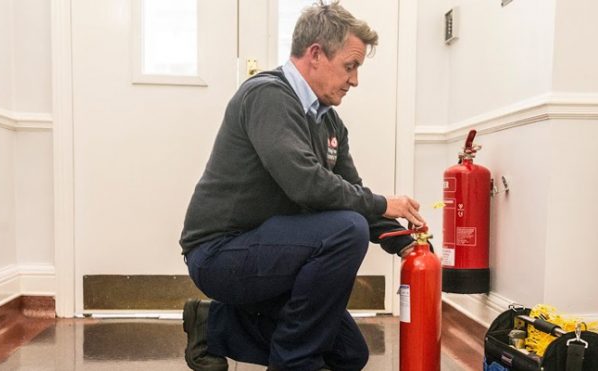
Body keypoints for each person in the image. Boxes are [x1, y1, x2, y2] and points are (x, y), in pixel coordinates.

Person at [179, 2, 424, 370]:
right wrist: (383, 203)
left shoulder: (329, 122)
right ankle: (294, 363)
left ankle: (214, 325)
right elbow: (307, 185)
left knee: (348, 354)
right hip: (220, 253)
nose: (354, 80)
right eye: (350, 66)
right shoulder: (267, 96)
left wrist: (405, 242)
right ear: (315, 54)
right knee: (346, 230)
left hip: (273, 249)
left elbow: (351, 192)